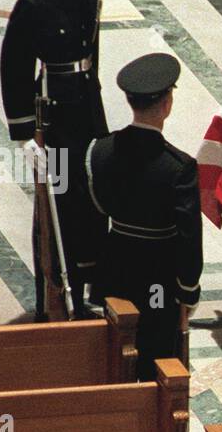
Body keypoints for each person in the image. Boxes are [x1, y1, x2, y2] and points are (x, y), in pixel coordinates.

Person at [0, 0, 109, 320]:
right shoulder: (35, 0)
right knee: (57, 202)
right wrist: (26, 131)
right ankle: (55, 288)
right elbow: (15, 65)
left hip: (87, 111)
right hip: (56, 119)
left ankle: (93, 281)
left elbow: (92, 55)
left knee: (94, 196)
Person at [87, 53, 203, 381]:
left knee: (114, 357)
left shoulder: (100, 150)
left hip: (115, 270)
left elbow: (97, 207)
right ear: (167, 103)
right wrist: (188, 291)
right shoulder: (179, 167)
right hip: (159, 278)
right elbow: (189, 238)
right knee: (157, 363)